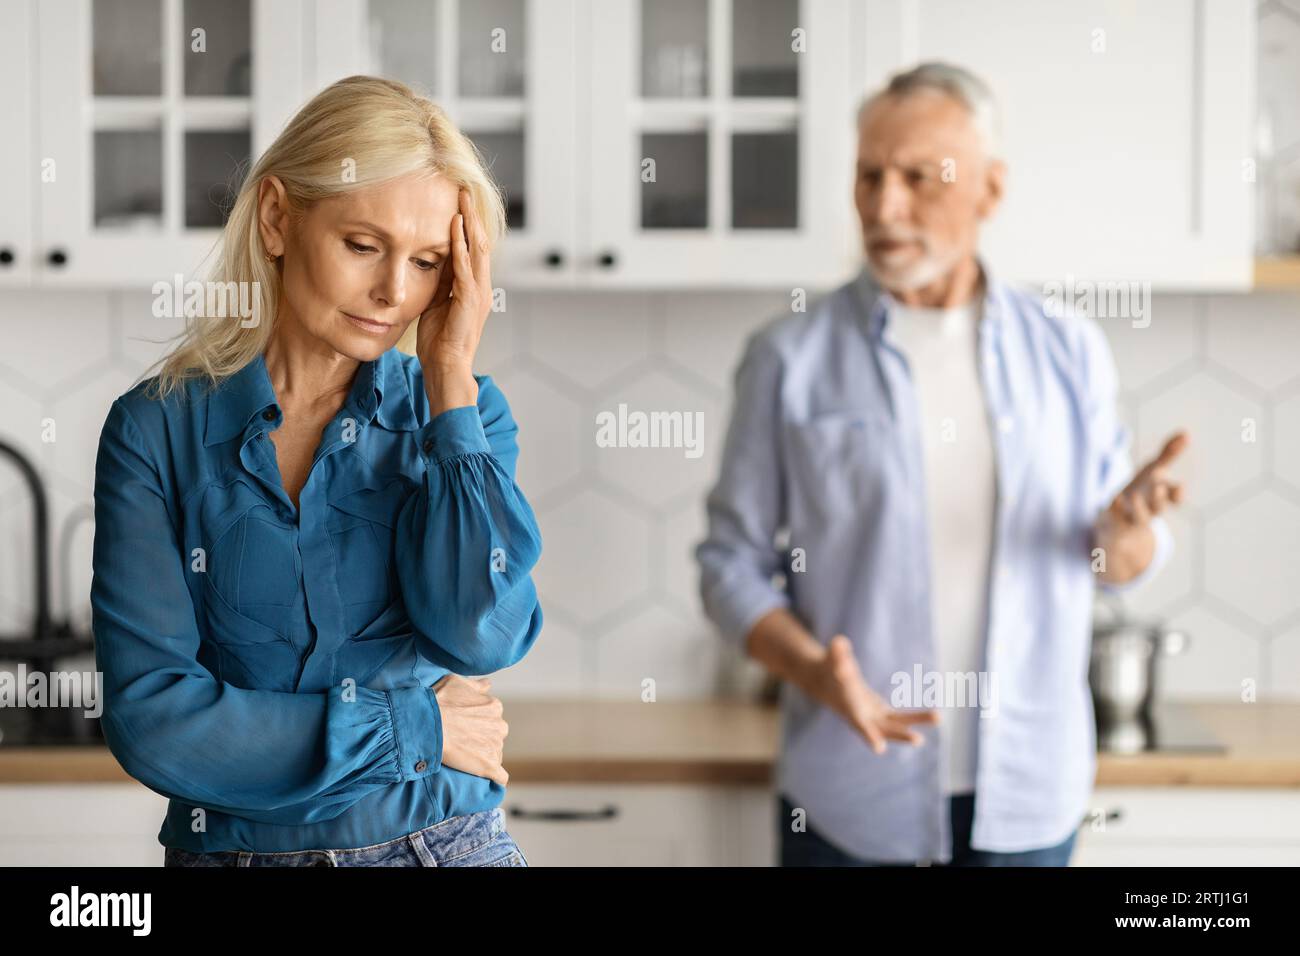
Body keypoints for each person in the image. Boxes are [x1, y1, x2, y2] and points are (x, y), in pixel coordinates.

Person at [696, 62, 1188, 867]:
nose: (885, 207)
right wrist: (814, 670)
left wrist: (1127, 534)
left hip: (1030, 799)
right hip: (849, 794)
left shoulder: (1068, 352)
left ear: (990, 190)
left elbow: (1114, 562)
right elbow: (727, 565)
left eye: (919, 178)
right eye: (869, 177)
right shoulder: (789, 357)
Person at [90, 75, 543, 867]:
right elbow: (155, 723)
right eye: (363, 246)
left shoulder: (464, 420)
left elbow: (479, 635)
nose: (395, 292)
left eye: (429, 261)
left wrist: (447, 378)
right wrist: (417, 728)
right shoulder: (155, 429)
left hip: (443, 848)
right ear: (277, 218)